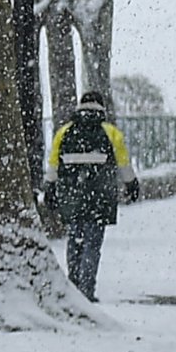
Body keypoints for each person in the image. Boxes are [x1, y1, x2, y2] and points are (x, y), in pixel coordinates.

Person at [47, 89, 131, 302]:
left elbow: (54, 163)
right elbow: (123, 163)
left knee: (74, 240)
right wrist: (131, 184)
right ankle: (87, 289)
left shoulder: (64, 131)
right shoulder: (111, 132)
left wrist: (50, 187)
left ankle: (73, 285)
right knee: (92, 244)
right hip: (100, 197)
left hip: (72, 195)